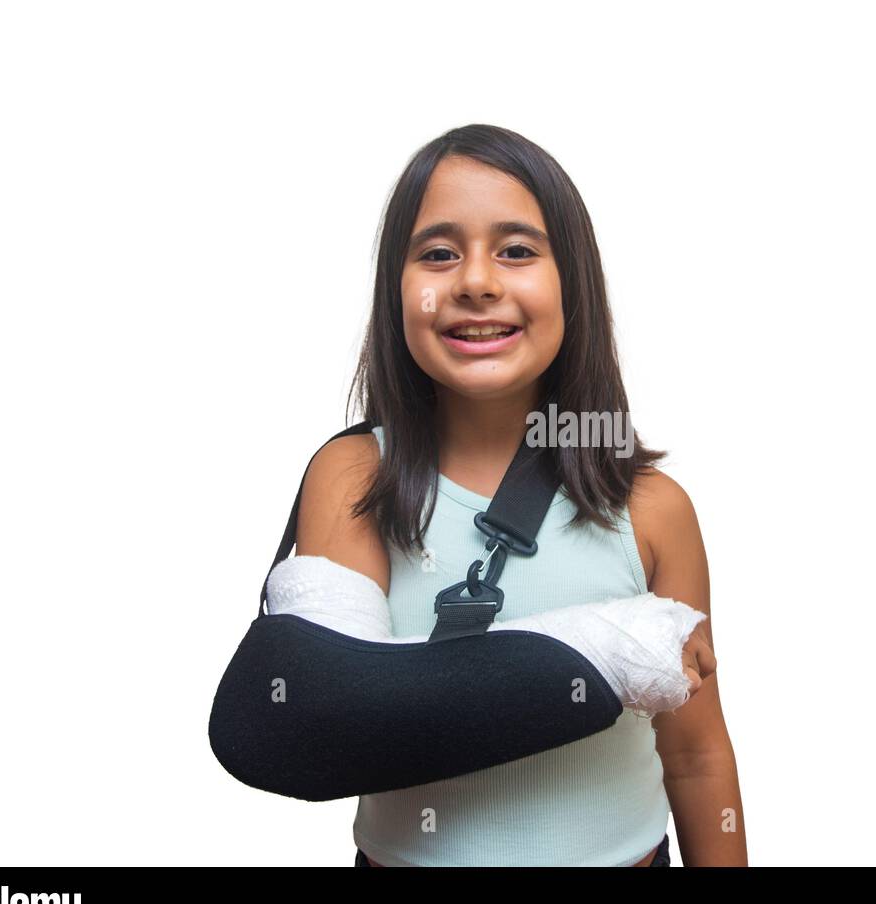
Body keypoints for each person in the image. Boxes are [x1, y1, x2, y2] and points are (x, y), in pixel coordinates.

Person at [295, 124, 745, 866]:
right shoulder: (353, 480)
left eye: (517, 250)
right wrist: (611, 647)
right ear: (395, 288)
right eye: (438, 253)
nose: (476, 281)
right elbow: (346, 718)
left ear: (573, 283)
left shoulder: (655, 510)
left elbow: (697, 758)